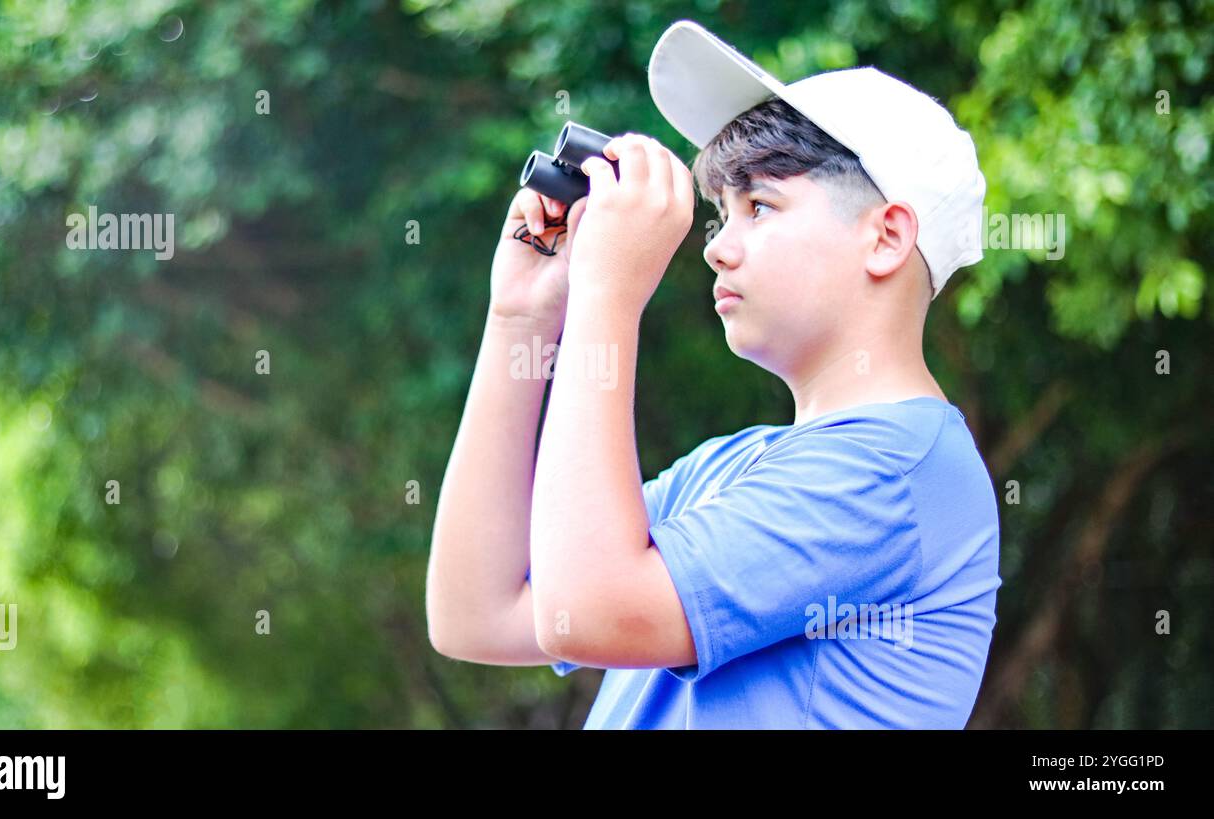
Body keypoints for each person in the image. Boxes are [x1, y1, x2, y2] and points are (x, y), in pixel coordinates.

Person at [426, 20, 1001, 728]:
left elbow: (592, 612)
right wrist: (521, 318)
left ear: (884, 237)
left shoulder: (896, 470)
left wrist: (608, 292)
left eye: (759, 207)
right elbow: (477, 615)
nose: (718, 249)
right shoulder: (731, 467)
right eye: (720, 216)